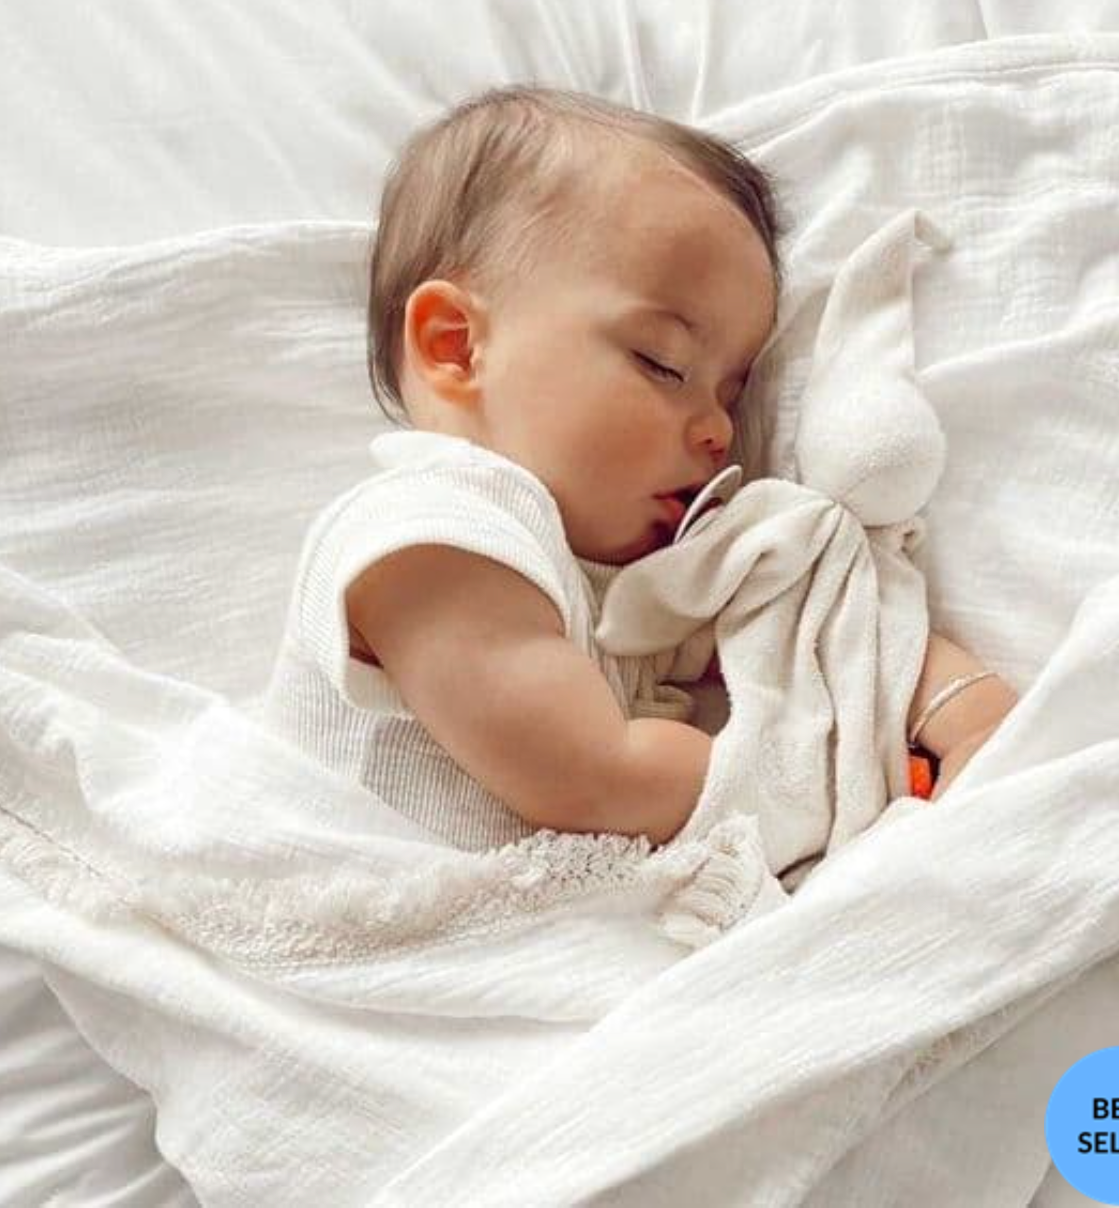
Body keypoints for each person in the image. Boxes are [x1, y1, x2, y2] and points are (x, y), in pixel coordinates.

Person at [263, 83, 1017, 855]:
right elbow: (597, 777)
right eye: (664, 363)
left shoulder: (619, 580)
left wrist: (967, 715)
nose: (720, 429)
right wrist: (830, 778)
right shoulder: (431, 532)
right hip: (376, 904)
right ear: (457, 346)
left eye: (732, 393)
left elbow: (809, 615)